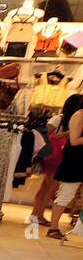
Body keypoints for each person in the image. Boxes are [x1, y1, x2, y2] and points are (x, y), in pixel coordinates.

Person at [46, 94, 83, 240]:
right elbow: (74, 140)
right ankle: (53, 228)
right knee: (66, 194)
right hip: (75, 160)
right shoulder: (79, 115)